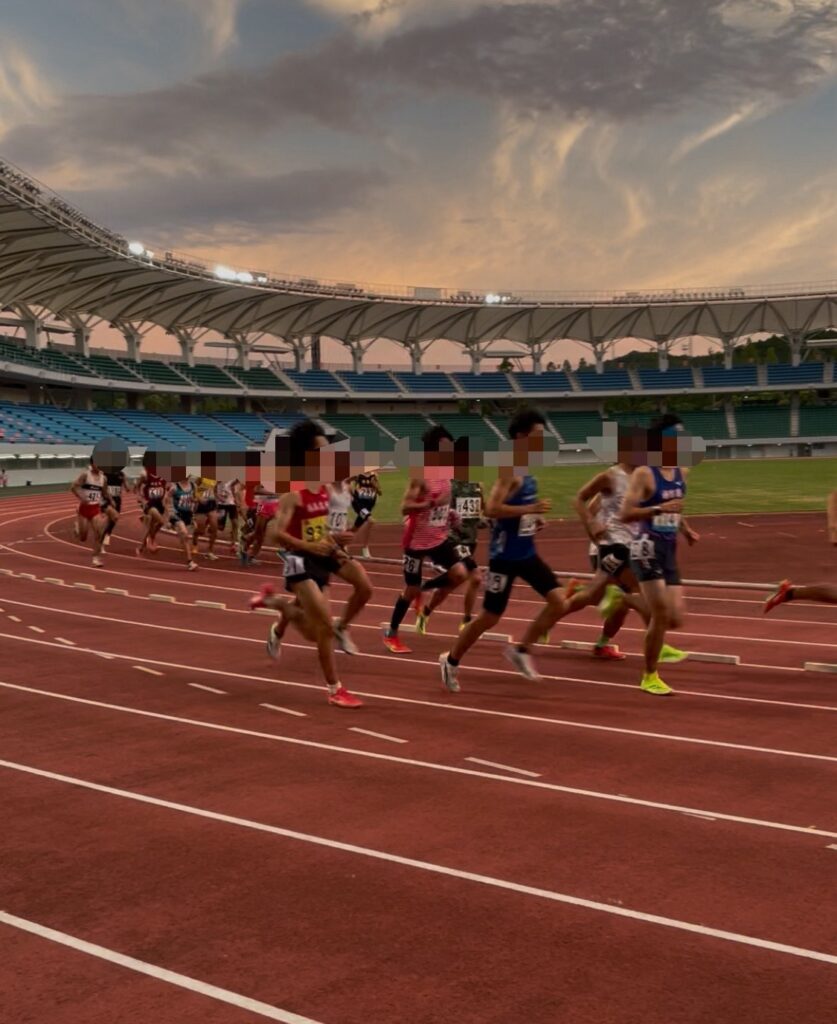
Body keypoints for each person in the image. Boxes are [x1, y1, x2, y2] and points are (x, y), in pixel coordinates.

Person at [439, 409, 567, 691]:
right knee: (490, 617)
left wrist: (533, 519)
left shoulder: (525, 467)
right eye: (537, 436)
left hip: (526, 552)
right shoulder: (509, 467)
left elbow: (513, 510)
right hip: (505, 557)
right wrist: (530, 509)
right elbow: (492, 509)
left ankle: (521, 651)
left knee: (560, 602)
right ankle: (450, 660)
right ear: (521, 437)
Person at [249, 419, 364, 709]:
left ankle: (275, 603)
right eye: (323, 451)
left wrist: (336, 538)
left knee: (316, 632)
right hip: (298, 561)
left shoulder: (324, 488)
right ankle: (335, 688)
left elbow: (317, 527)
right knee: (324, 628)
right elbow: (276, 534)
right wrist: (310, 545)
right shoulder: (293, 492)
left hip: (320, 557)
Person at [620, 415, 700, 696]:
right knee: (661, 613)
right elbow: (625, 514)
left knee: (675, 618)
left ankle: (625, 598)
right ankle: (649, 675)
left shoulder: (682, 471)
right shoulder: (644, 473)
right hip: (645, 548)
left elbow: (676, 507)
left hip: (669, 550)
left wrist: (686, 529)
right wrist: (658, 510)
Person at [383, 425, 469, 654]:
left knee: (460, 574)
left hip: (439, 537)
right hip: (416, 542)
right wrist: (431, 503)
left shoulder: (447, 474)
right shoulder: (420, 476)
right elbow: (404, 507)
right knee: (410, 591)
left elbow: (443, 504)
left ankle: (424, 587)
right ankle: (391, 633)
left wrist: (451, 516)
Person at [416, 440, 486, 634]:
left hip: (470, 540)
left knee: (450, 584)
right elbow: (441, 508)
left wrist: (486, 520)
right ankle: (466, 621)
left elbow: (481, 511)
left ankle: (426, 611)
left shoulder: (477, 484)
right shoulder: (449, 483)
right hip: (453, 539)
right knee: (477, 578)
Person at [70, 459, 109, 568]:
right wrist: (81, 497)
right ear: (92, 464)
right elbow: (73, 487)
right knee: (83, 538)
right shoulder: (85, 475)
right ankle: (77, 528)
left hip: (95, 508)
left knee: (99, 533)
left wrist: (110, 502)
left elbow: (105, 493)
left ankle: (96, 558)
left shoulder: (103, 478)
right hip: (84, 509)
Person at [167, 474, 199, 571]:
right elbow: (166, 500)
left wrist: (193, 518)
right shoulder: (174, 487)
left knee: (184, 539)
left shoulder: (193, 486)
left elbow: (194, 500)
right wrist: (170, 513)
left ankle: (187, 556)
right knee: (184, 534)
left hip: (187, 514)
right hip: (177, 514)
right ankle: (190, 562)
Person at [136, 457, 167, 556]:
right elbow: (137, 487)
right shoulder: (145, 473)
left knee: (151, 526)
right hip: (150, 504)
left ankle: (141, 547)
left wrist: (164, 497)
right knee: (161, 521)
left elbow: (165, 487)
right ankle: (152, 539)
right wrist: (141, 499)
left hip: (159, 503)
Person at [350, 469, 381, 558]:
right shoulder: (358, 474)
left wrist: (375, 484)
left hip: (368, 506)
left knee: (354, 529)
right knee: (370, 521)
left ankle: (341, 541)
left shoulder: (374, 475)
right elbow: (348, 482)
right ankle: (365, 548)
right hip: (359, 504)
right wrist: (352, 493)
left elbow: (379, 491)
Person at [101, 467, 131, 547]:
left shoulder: (121, 474)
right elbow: (102, 486)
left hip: (117, 499)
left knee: (115, 518)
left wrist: (126, 482)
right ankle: (103, 536)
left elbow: (127, 488)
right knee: (110, 517)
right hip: (107, 498)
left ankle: (107, 534)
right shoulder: (105, 473)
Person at [193, 473, 219, 561]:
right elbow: (194, 487)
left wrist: (217, 499)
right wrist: (199, 498)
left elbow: (215, 489)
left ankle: (210, 551)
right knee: (201, 530)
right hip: (201, 504)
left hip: (211, 504)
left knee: (215, 527)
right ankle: (195, 539)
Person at [215, 477, 240, 554]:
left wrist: (236, 500)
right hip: (221, 503)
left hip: (231, 503)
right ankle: (210, 521)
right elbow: (214, 488)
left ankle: (233, 544)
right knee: (220, 527)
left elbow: (234, 487)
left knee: (235, 523)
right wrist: (218, 497)